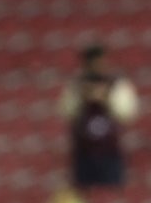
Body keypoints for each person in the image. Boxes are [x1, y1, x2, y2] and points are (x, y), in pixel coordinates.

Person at [58, 42, 139, 189]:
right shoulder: (77, 85)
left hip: (109, 151)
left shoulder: (116, 84)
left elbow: (126, 113)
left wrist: (106, 98)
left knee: (112, 193)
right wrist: (83, 97)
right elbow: (67, 112)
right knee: (82, 194)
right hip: (84, 152)